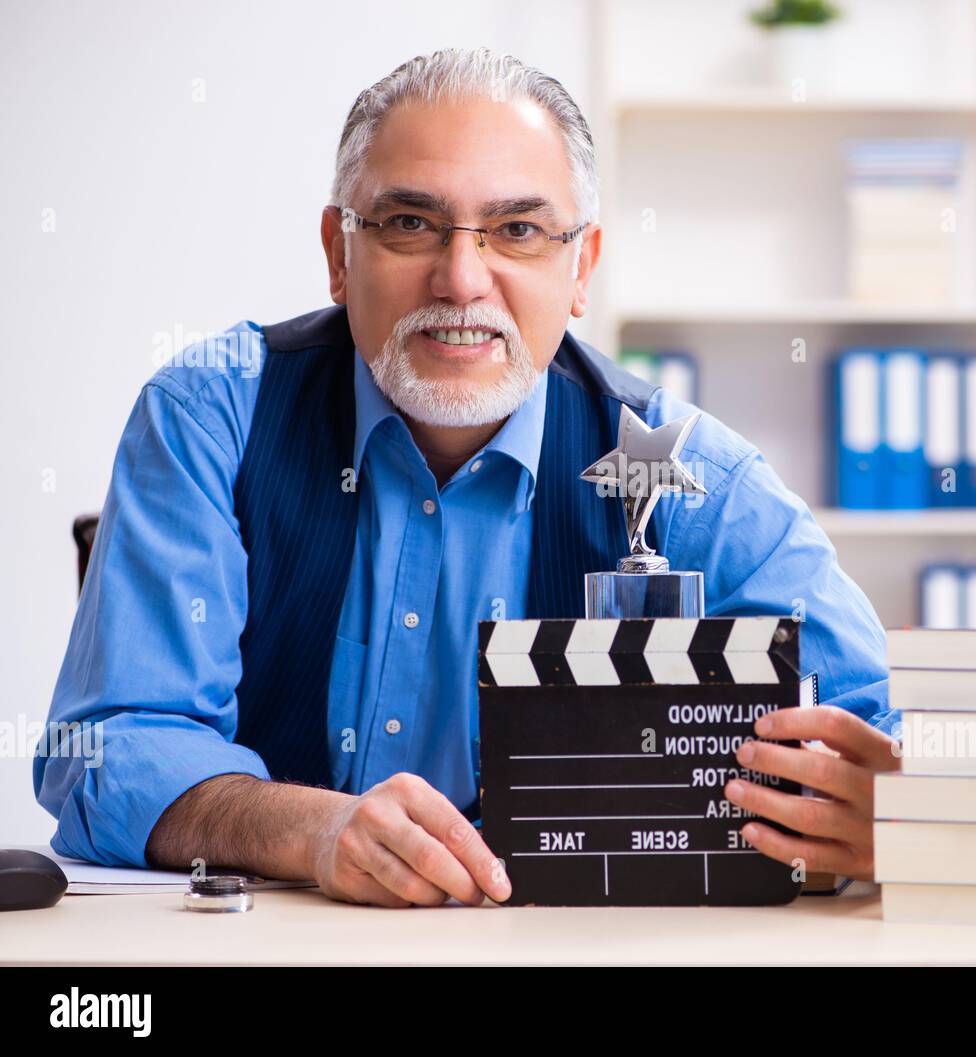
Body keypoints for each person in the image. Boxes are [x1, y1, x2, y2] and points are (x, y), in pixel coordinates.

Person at [34, 47, 899, 908]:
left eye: (517, 230)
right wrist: (313, 829)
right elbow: (106, 749)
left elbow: (887, 740)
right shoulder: (209, 418)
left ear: (581, 270)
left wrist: (891, 820)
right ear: (339, 251)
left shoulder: (684, 473)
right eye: (410, 223)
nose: (460, 277)